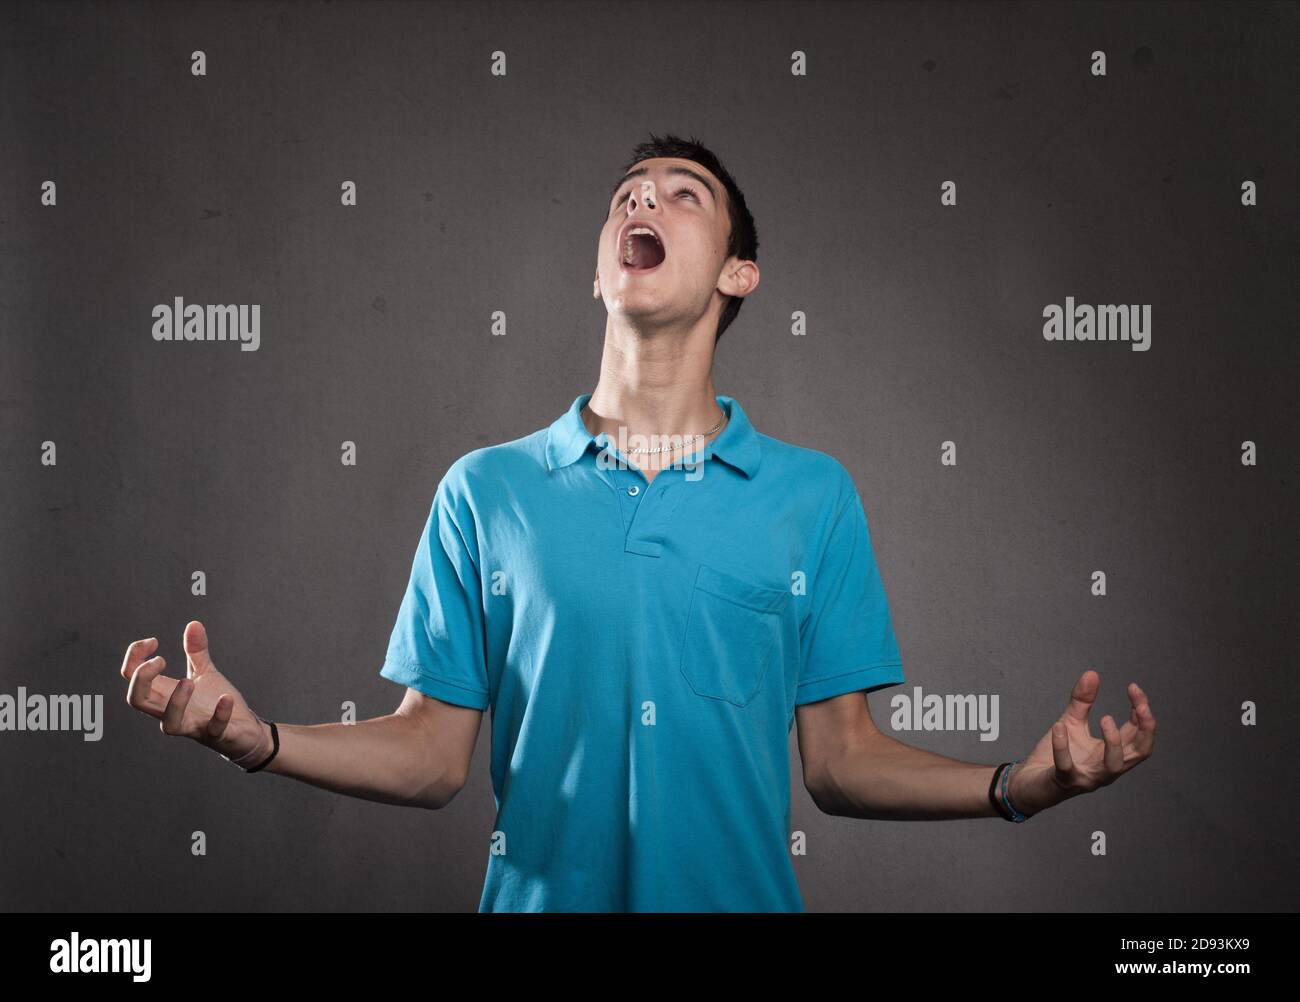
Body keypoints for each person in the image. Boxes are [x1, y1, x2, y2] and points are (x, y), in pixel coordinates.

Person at [119, 133, 1157, 912]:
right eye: (624, 196)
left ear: (737, 273)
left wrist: (1017, 786)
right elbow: (430, 756)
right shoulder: (485, 492)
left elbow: (841, 764)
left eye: (679, 194)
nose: (641, 201)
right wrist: (259, 742)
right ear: (600, 270)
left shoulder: (813, 497)